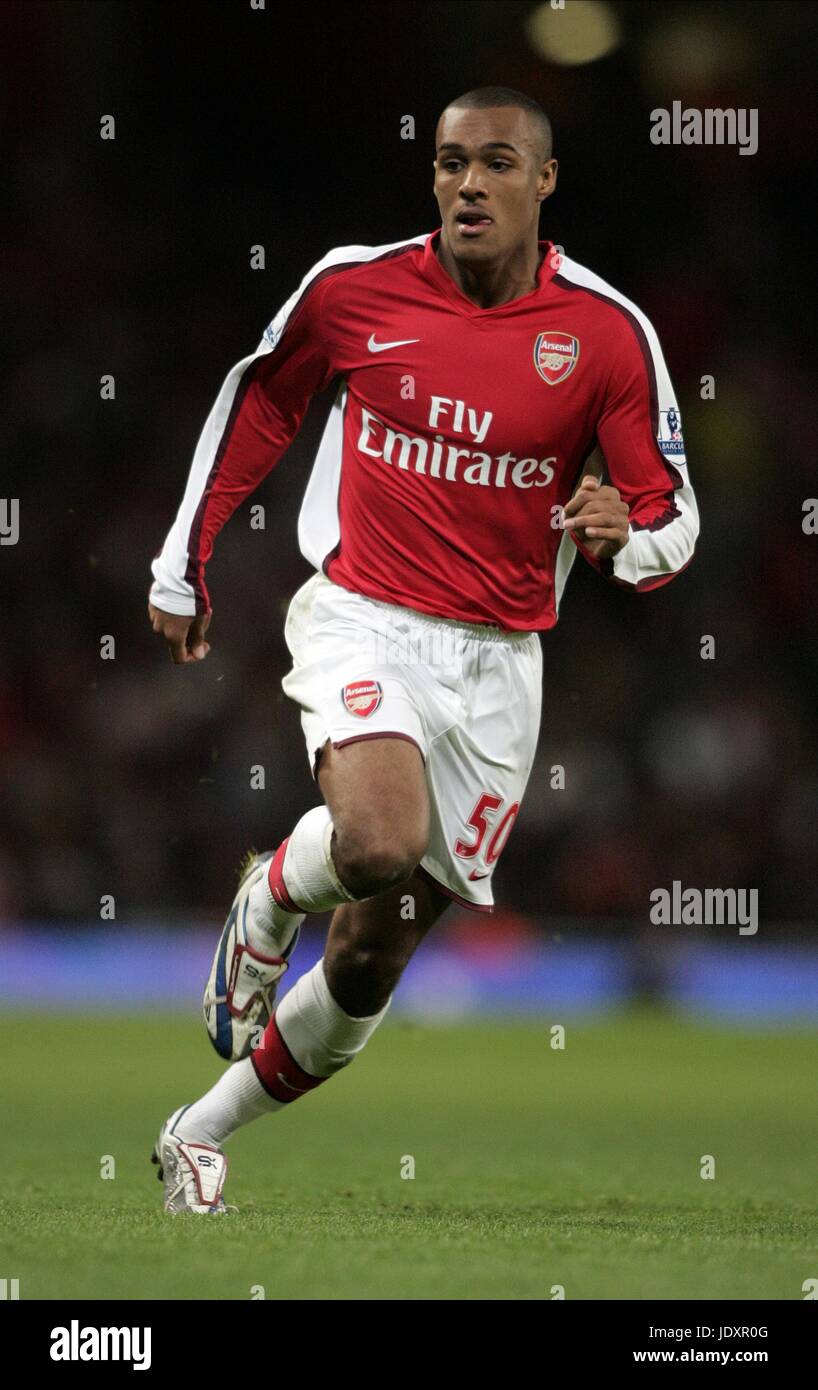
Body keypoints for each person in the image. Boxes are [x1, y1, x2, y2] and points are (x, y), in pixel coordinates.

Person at [147, 86, 699, 1213]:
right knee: (377, 836)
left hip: (498, 665)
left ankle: (197, 1133)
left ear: (543, 182)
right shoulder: (354, 289)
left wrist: (624, 539)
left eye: (495, 164)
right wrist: (181, 561)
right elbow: (258, 405)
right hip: (365, 614)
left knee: (367, 962)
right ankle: (268, 894)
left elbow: (669, 514)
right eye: (449, 164)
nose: (466, 186)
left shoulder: (602, 333)